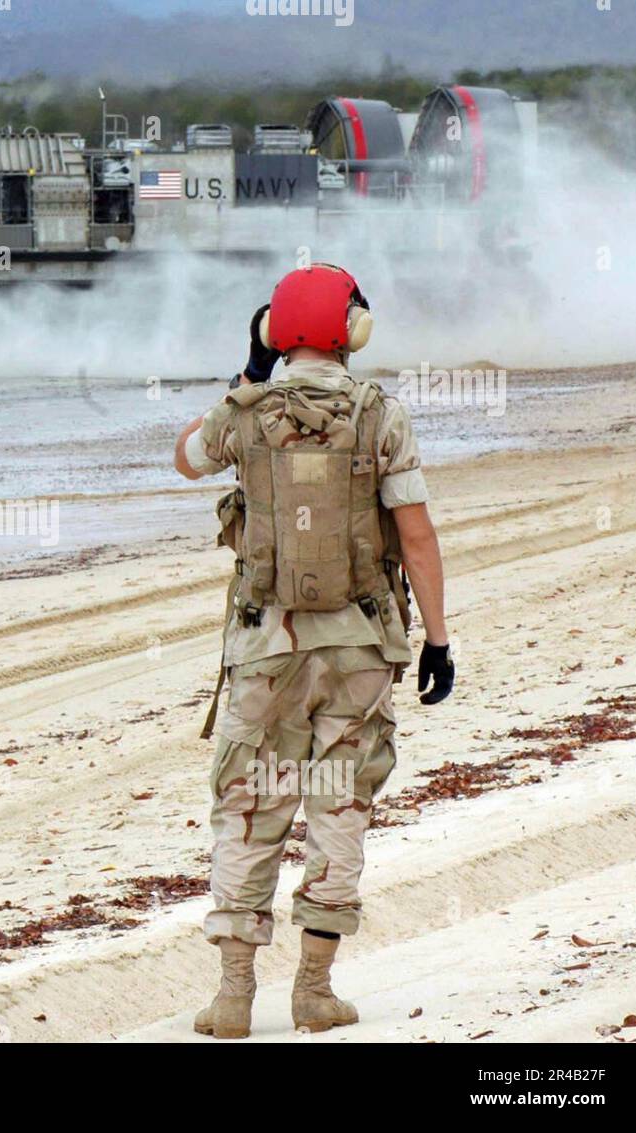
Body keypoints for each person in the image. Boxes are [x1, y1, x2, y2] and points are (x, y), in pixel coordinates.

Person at [173, 263, 455, 1039]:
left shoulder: (245, 412)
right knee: (340, 804)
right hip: (358, 648)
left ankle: (233, 996)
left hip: (264, 649)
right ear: (352, 331)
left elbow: (186, 457)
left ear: (275, 334)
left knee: (248, 806)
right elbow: (419, 539)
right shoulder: (381, 417)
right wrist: (437, 640)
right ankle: (313, 990)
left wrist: (248, 375)